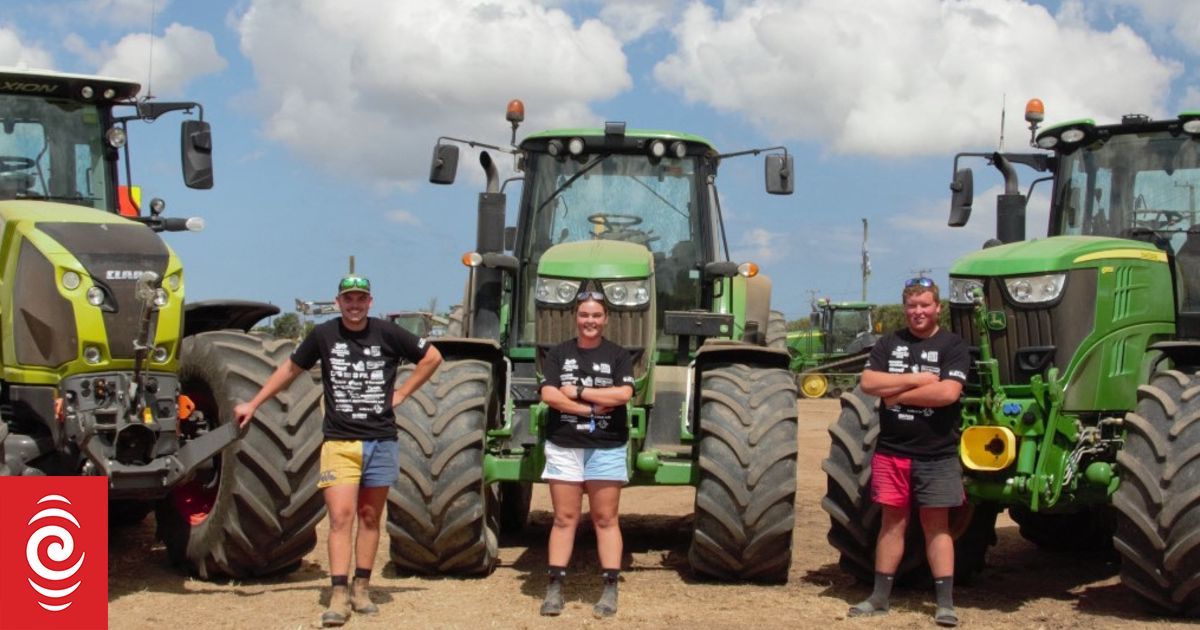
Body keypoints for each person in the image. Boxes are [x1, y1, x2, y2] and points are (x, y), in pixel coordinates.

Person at [234, 273, 442, 628]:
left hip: (381, 440)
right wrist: (253, 403)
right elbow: (290, 369)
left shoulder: (388, 333)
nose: (355, 305)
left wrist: (403, 393)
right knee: (341, 518)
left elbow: (432, 357)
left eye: (361, 298)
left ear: (370, 302)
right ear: (338, 302)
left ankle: (362, 588)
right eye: (348, 299)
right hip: (340, 442)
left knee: (370, 518)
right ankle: (339, 594)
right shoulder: (324, 335)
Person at [848, 277, 970, 628]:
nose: (918, 312)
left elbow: (947, 394)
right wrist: (918, 380)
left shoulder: (952, 345)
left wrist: (896, 395)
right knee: (892, 525)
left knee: (937, 527)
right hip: (892, 453)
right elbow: (869, 383)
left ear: (937, 308)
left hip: (937, 454)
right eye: (912, 306)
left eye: (924, 305)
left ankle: (944, 604)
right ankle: (879, 598)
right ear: (905, 308)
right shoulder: (890, 343)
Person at [537, 290, 635, 618]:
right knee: (564, 518)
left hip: (606, 445)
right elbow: (549, 394)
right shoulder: (558, 353)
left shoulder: (619, 355)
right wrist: (591, 409)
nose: (589, 321)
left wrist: (579, 392)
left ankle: (609, 588)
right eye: (583, 315)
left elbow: (623, 394)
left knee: (605, 519)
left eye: (595, 315)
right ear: (575, 318)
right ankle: (554, 587)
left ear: (606, 319)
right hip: (564, 445)